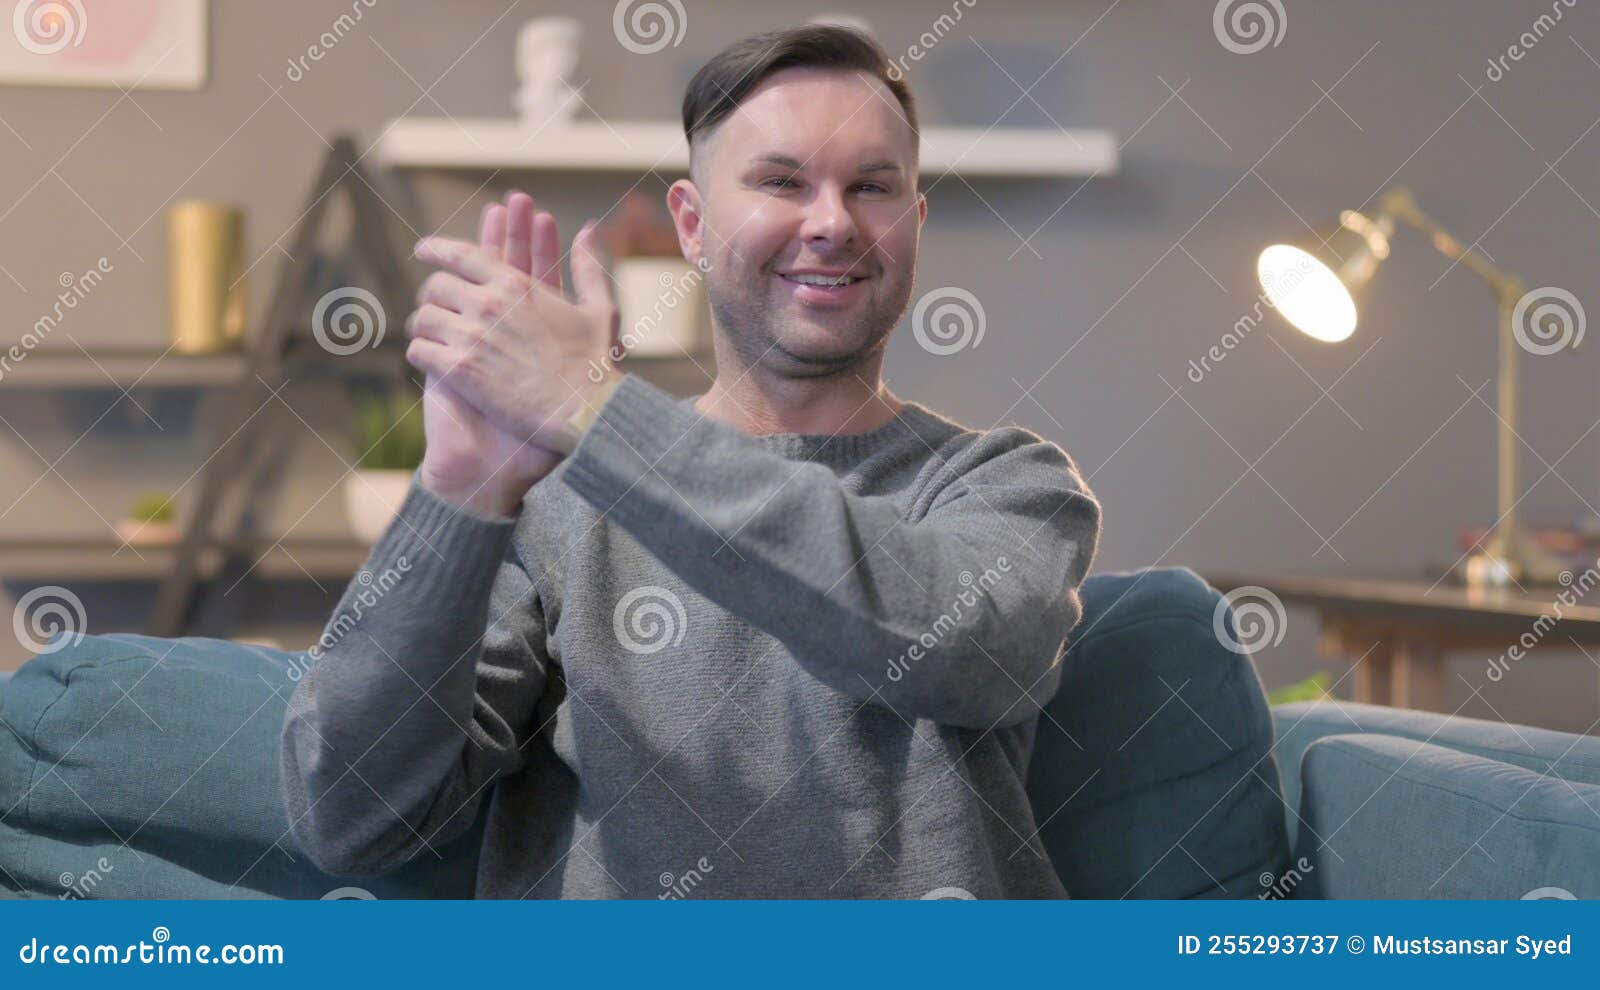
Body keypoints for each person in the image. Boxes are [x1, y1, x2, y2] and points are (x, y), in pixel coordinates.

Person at [280, 23, 1101, 899]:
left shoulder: (1012, 487)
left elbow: (947, 644)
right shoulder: (558, 502)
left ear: (914, 222)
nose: (831, 222)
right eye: (781, 181)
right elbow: (349, 818)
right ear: (692, 223)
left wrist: (593, 415)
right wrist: (458, 491)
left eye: (872, 186)